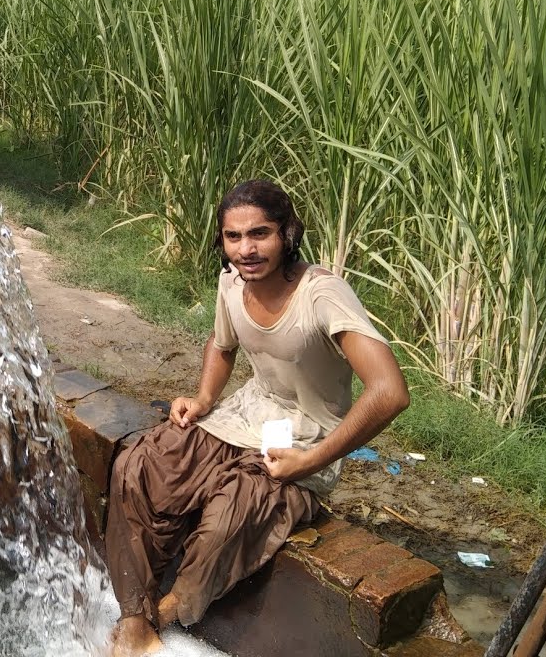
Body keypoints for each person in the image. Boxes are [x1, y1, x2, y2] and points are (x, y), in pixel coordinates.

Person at [105, 180, 411, 656]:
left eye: (259, 234)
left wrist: (311, 461)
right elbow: (222, 342)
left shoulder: (321, 294)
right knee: (138, 465)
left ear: (287, 234)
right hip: (245, 414)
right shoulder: (232, 281)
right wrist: (204, 397)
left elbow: (390, 392)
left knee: (233, 510)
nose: (245, 249)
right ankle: (134, 618)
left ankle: (165, 613)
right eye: (233, 236)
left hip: (304, 438)